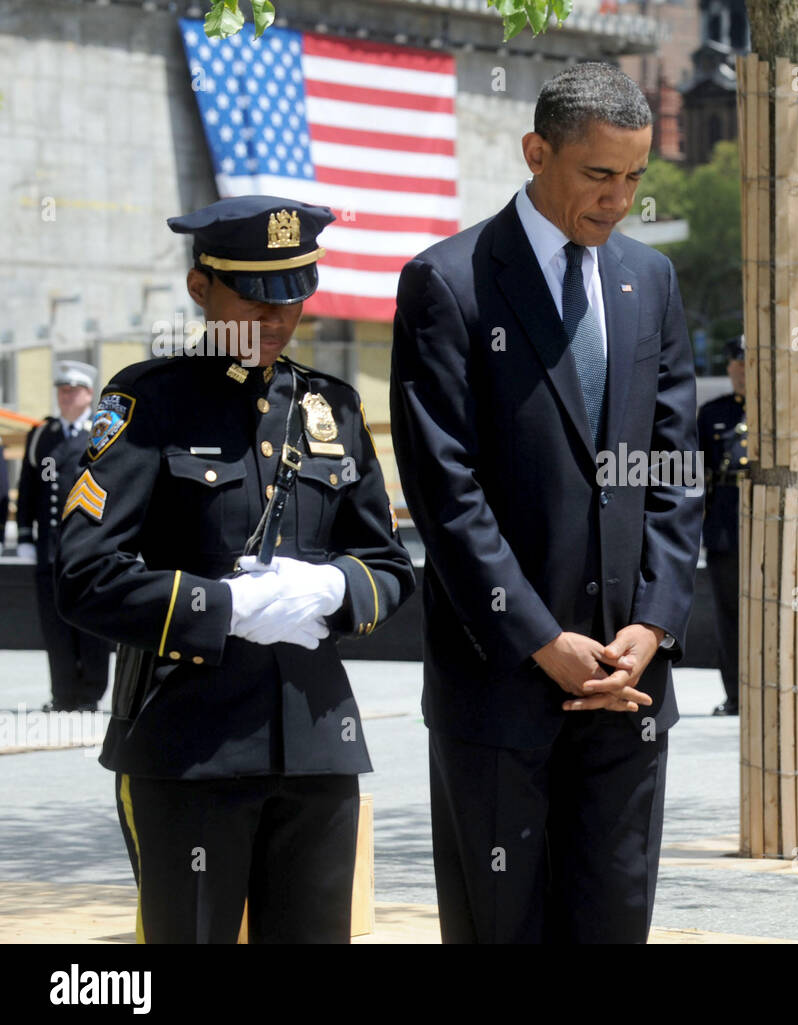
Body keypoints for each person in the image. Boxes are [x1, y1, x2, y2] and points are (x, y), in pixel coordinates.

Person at [390, 62, 703, 944]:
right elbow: (445, 491)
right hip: (501, 688)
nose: (619, 200)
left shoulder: (652, 280)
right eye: (598, 175)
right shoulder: (448, 283)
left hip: (630, 686)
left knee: (612, 924)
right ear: (536, 152)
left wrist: (655, 623)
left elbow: (674, 468)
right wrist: (540, 640)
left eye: (636, 177)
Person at [55, 196, 414, 943]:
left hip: (316, 745)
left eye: (294, 295)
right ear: (201, 289)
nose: (277, 319)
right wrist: (223, 608)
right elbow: (85, 573)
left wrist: (335, 587)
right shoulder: (146, 404)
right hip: (189, 749)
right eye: (254, 297)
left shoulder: (332, 408)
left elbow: (388, 564)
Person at [16, 360, 114, 711]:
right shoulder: (44, 434)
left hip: (89, 548)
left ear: (88, 394)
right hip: (50, 548)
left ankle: (89, 693)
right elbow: (29, 489)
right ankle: (63, 693)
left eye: (72, 390)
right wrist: (26, 536)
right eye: (61, 390)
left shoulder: (102, 433)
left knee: (88, 622)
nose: (65, 396)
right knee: (53, 624)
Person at [698, 335, 747, 716]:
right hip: (725, 528)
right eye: (738, 364)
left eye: (750, 364)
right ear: (729, 368)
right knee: (728, 616)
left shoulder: (773, 412)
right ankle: (734, 695)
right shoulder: (712, 413)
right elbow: (694, 475)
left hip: (764, 525)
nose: (744, 372)